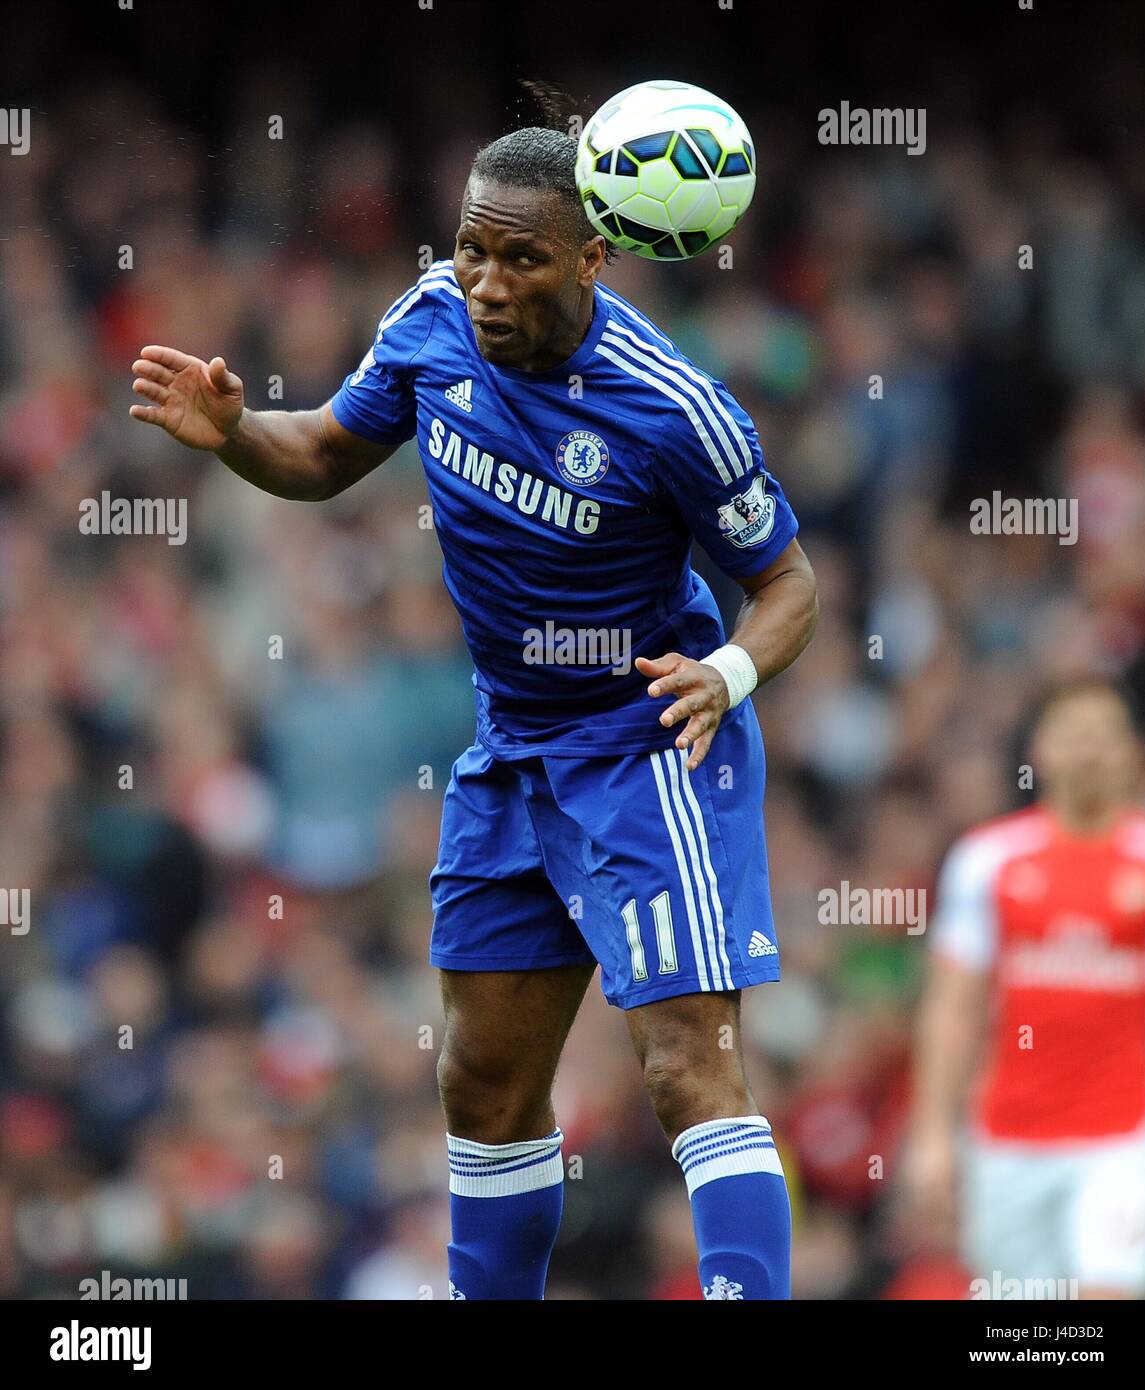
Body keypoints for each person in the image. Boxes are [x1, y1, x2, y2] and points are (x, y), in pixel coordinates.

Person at [129, 126, 818, 1301]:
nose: (488, 285)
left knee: (681, 1065)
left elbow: (789, 586)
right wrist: (238, 432)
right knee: (482, 1083)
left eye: (521, 260)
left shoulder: (673, 409)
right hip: (511, 742)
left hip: (648, 737)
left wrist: (730, 677)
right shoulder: (430, 321)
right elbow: (331, 450)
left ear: (593, 257)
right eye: (469, 252)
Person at [906, 678, 1145, 1299]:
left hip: (1125, 1137)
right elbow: (952, 1007)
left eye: (1104, 736)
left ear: (1133, 753)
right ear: (1039, 750)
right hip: (1007, 1139)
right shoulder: (987, 860)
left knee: (1105, 1299)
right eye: (1072, 735)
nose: (1088, 751)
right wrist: (932, 1136)